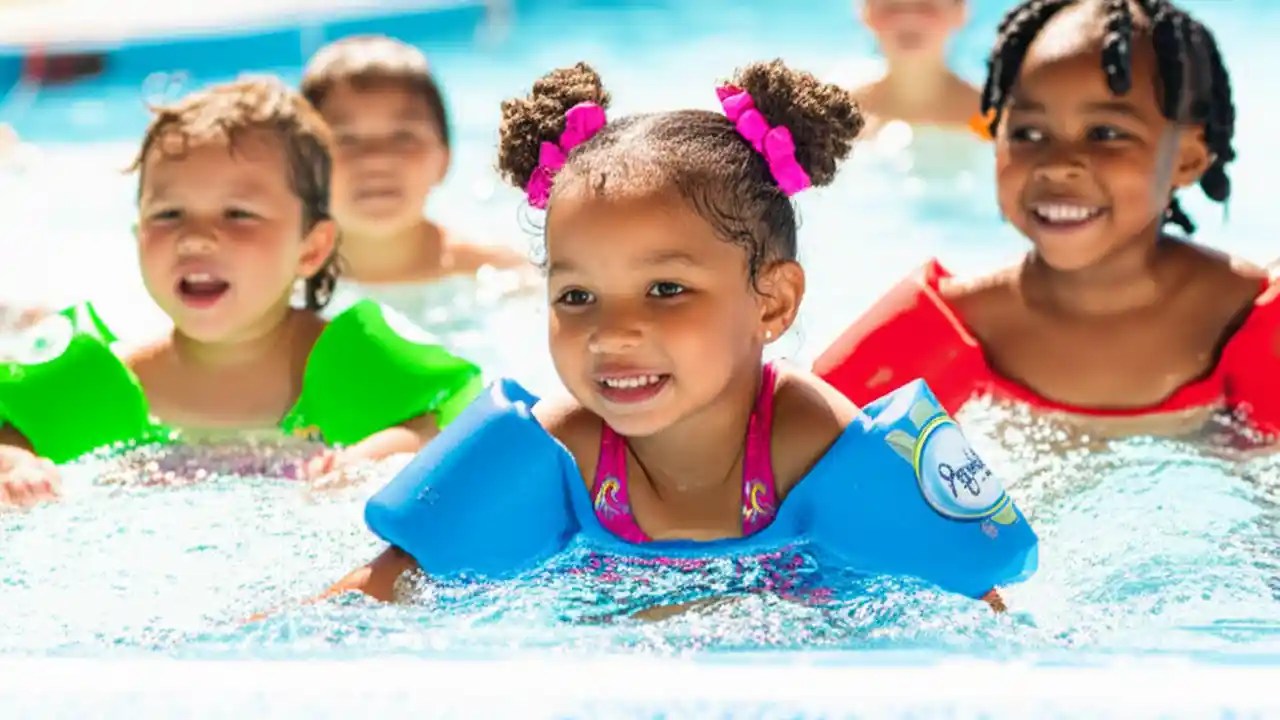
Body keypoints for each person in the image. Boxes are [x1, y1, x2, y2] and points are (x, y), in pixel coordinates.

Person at [306, 59, 1034, 611]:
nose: (612, 331)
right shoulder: (566, 446)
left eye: (666, 289)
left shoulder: (808, 443)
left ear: (772, 302)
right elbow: (363, 604)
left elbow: (978, 621)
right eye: (577, 296)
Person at [0, 78, 483, 508]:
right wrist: (16, 465)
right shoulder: (102, 385)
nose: (196, 238)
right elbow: (11, 433)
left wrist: (374, 457)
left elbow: (450, 421)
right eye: (169, 215)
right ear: (137, 235)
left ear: (311, 249)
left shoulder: (354, 366)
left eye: (238, 214)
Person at [815, 0, 1278, 438]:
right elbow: (785, 466)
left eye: (1105, 133)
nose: (1057, 164)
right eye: (1028, 133)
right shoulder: (952, 324)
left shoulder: (1246, 319)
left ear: (1188, 158)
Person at [300, 35, 528, 289]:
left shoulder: (504, 274)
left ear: (444, 160)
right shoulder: (281, 284)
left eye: (403, 137)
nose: (376, 159)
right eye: (345, 140)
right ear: (304, 166)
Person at [847, 0, 987, 139]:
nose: (908, 20)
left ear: (960, 12)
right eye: (892, 7)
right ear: (866, 13)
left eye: (925, 5)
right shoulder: (843, 116)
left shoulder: (993, 117)